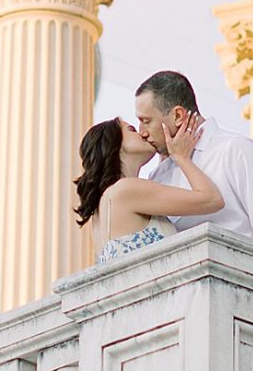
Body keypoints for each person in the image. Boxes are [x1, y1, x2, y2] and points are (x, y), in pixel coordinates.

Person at [134, 69, 253, 247]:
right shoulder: (158, 175)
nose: (142, 132)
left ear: (178, 115)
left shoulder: (236, 150)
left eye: (146, 121)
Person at [73, 111, 225, 262]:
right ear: (113, 143)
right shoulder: (126, 190)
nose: (143, 134)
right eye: (132, 130)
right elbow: (212, 199)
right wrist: (181, 157)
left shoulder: (103, 206)